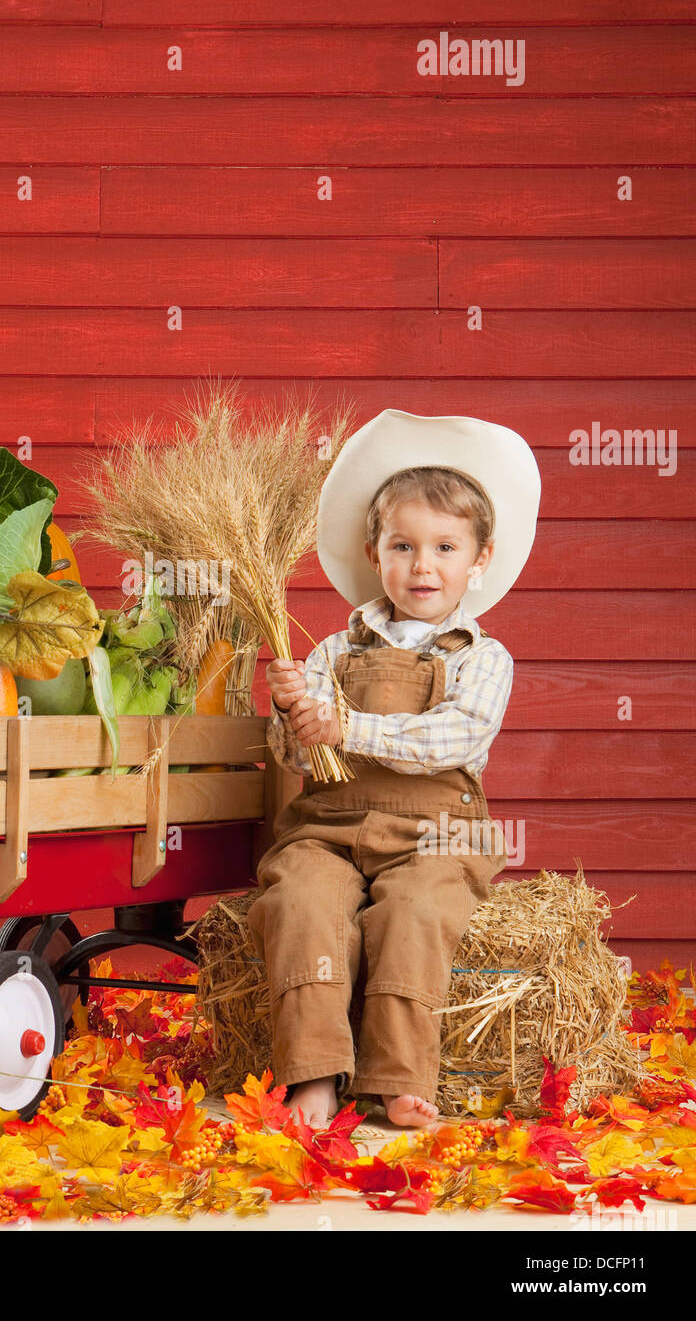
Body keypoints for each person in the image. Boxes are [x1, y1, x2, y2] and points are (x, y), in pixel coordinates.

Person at [247, 409, 541, 1130]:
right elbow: (300, 759)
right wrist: (295, 719)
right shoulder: (329, 653)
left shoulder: (481, 657)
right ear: (375, 553)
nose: (422, 565)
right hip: (330, 826)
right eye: (403, 545)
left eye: (445, 546)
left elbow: (456, 741)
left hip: (434, 835)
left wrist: (348, 724)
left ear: (479, 559)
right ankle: (314, 1071)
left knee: (414, 913)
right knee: (301, 901)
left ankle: (397, 1076)